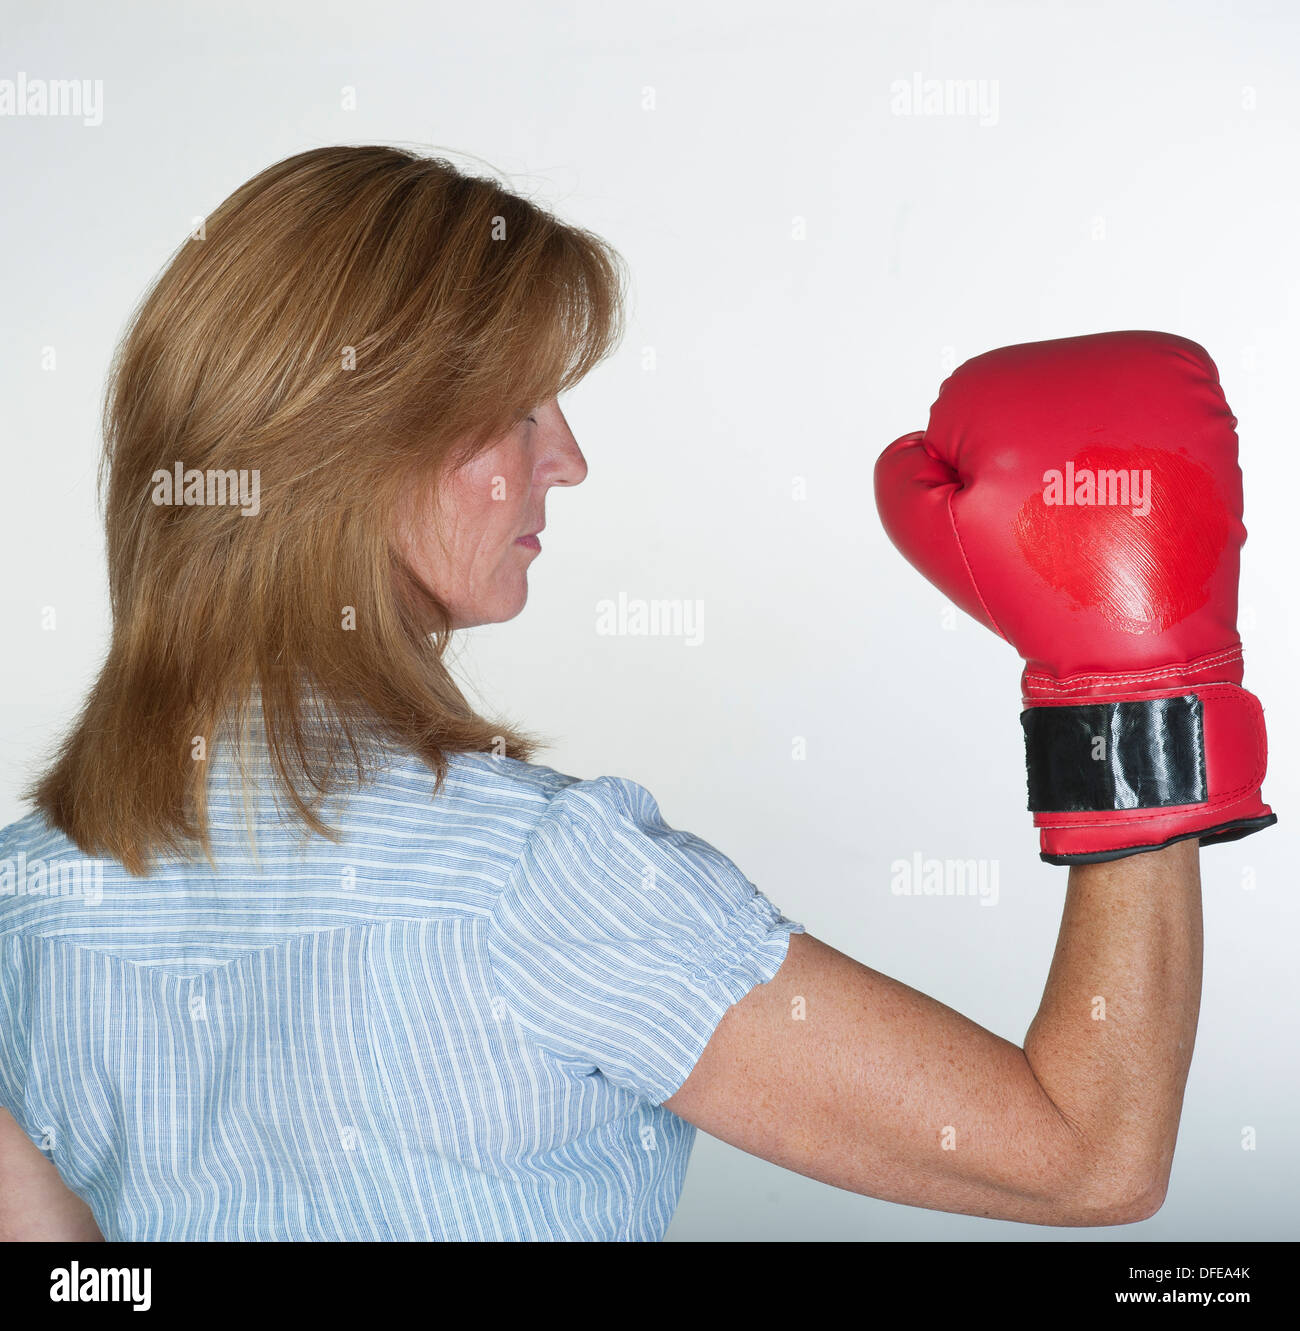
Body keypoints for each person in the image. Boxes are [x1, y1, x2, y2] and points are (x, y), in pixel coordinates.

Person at [0, 146, 1272, 1242]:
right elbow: (1087, 1152)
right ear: (360, 452)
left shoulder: (29, 894)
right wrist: (1129, 688)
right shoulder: (544, 879)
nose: (567, 458)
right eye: (513, 410)